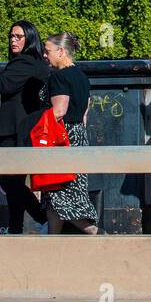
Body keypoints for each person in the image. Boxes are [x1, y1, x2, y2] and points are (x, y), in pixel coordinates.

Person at [0, 20, 51, 234]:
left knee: (10, 181)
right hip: (19, 130)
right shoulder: (29, 62)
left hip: (16, 130)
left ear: (29, 38)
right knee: (12, 181)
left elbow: (4, 86)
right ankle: (16, 228)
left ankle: (42, 218)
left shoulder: (26, 62)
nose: (13, 40)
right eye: (11, 36)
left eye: (18, 36)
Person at [42, 32, 100, 234]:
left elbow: (59, 111)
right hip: (78, 137)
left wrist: (36, 126)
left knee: (60, 195)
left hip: (62, 139)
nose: (45, 55)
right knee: (56, 197)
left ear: (61, 51)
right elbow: (84, 113)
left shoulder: (59, 77)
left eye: (48, 51)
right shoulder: (82, 77)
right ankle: (53, 241)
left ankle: (94, 231)